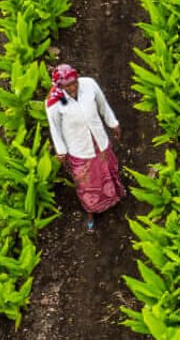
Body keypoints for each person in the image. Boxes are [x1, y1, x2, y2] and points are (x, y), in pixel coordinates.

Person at [45, 63, 122, 228]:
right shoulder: (54, 103)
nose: (73, 87)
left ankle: (113, 198)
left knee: (106, 171)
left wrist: (113, 123)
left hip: (98, 140)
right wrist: (61, 152)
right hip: (79, 148)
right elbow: (55, 129)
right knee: (86, 183)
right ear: (60, 86)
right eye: (68, 86)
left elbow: (103, 105)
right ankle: (91, 211)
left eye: (74, 83)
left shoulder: (89, 85)